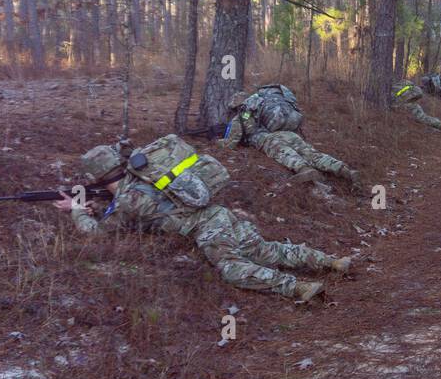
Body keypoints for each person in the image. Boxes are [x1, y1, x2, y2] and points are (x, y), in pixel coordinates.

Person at [56, 140, 348, 303]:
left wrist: (77, 209)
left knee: (232, 269)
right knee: (264, 250)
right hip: (220, 213)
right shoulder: (145, 173)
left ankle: (296, 287)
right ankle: (331, 262)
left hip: (206, 227)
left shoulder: (126, 202)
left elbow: (98, 234)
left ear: (99, 177)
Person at [221, 84, 360, 191]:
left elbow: (231, 142)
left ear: (236, 106)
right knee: (311, 153)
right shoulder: (263, 102)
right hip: (288, 132)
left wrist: (219, 144)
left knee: (283, 152)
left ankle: (304, 169)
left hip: (266, 138)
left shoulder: (243, 113)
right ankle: (344, 170)